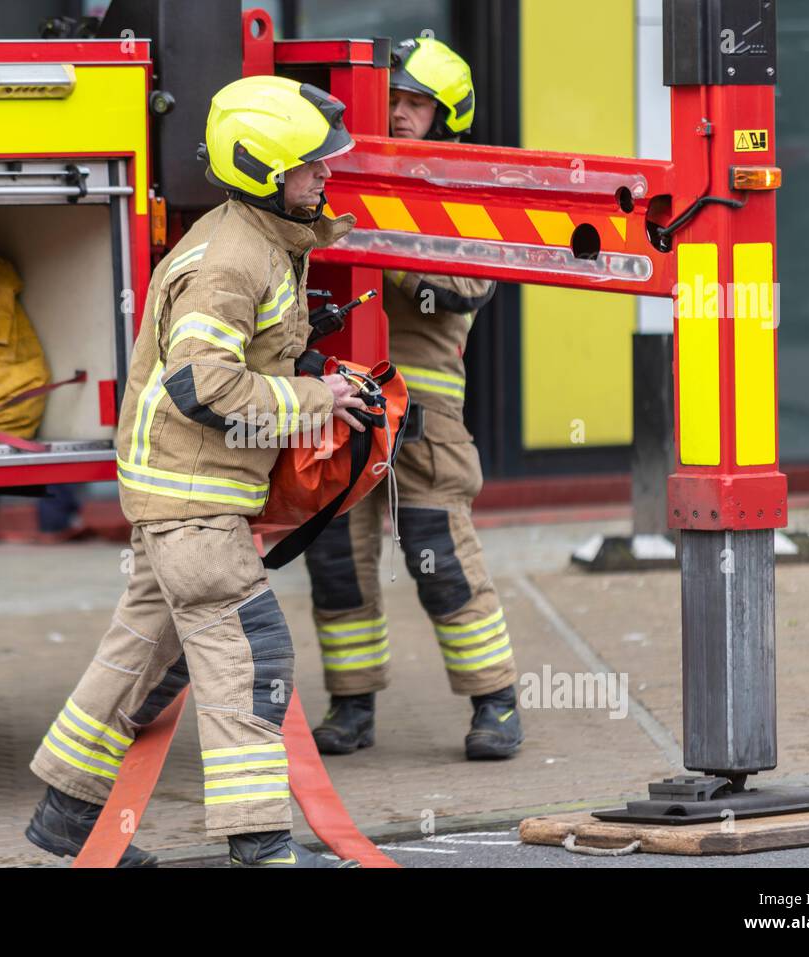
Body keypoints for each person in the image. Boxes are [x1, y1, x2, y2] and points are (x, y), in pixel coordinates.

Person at [25, 75, 369, 868]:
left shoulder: (254, 239)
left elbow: (246, 358)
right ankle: (262, 844)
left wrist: (317, 371)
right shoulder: (230, 261)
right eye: (311, 165)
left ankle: (65, 819)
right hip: (192, 502)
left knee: (140, 654)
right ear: (263, 168)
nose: (325, 176)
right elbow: (201, 385)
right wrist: (317, 396)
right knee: (251, 657)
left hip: (179, 494)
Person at [302, 37, 526, 762]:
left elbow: (458, 287)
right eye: (393, 98)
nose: (400, 112)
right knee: (337, 555)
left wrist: (372, 236)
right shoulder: (333, 175)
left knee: (439, 553)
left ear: (445, 116)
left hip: (424, 418)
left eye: (416, 104)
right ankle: (352, 702)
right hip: (340, 404)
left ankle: (496, 701)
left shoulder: (461, 194)